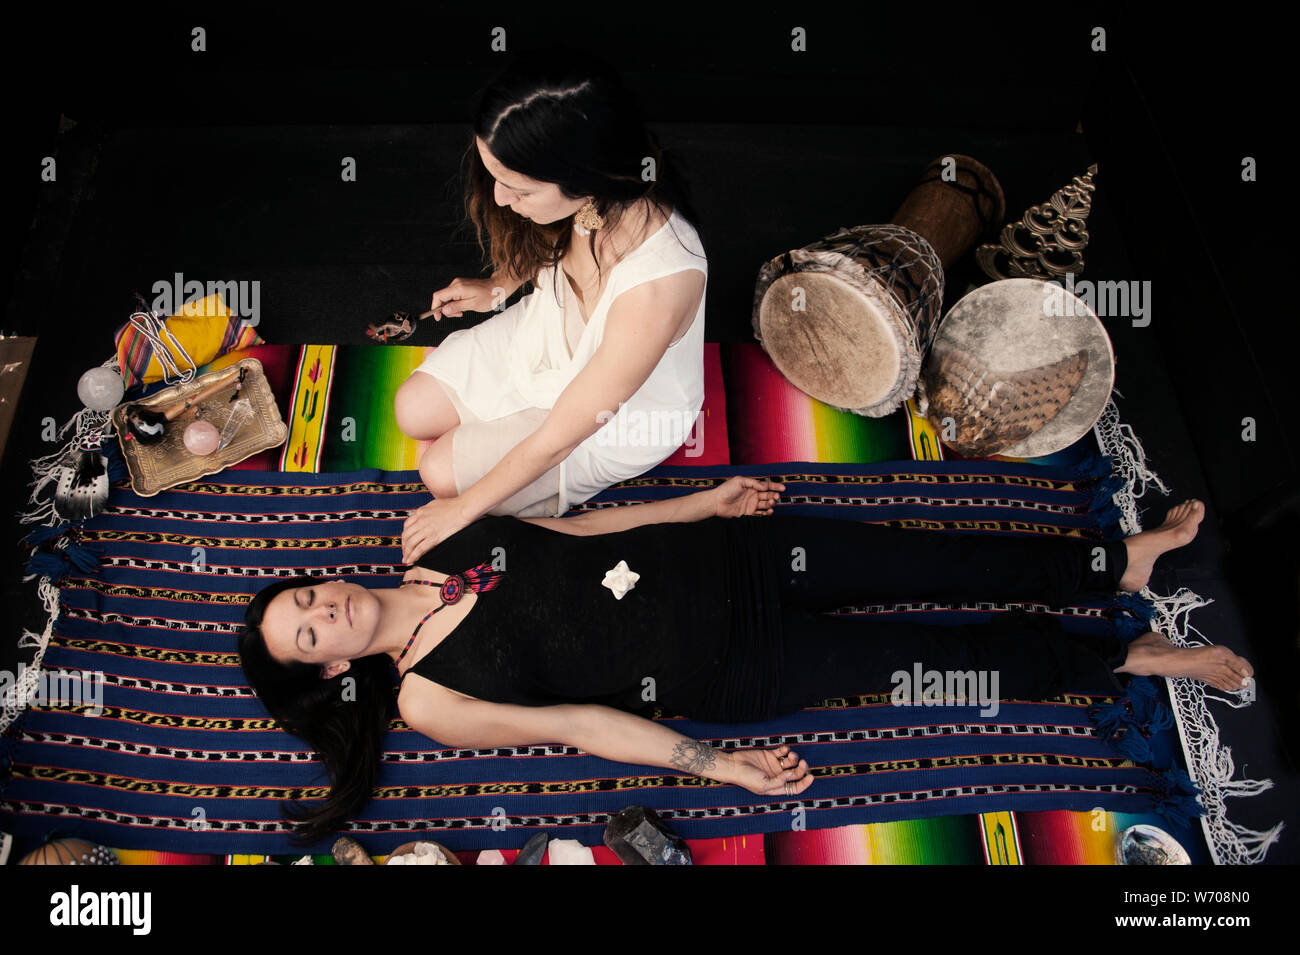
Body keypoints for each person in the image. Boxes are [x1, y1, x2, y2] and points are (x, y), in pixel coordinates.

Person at [239, 477, 1252, 843]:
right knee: (941, 661)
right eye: (310, 634)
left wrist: (698, 504)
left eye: (303, 598)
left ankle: (1118, 559)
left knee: (938, 554)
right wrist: (712, 765)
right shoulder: (429, 699)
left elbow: (579, 532)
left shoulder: (432, 545)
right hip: (744, 664)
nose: (322, 609)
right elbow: (581, 728)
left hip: (742, 553)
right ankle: (1132, 654)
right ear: (329, 672)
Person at [394, 48, 708, 565]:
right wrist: (497, 287)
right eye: (495, 175)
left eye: (517, 187)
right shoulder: (590, 199)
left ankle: (540, 483)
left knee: (441, 474)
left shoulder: (657, 287)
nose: (497, 199)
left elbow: (560, 435)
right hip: (550, 326)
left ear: (583, 178)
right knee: (412, 408)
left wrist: (463, 509)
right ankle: (501, 431)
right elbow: (555, 246)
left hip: (612, 414)